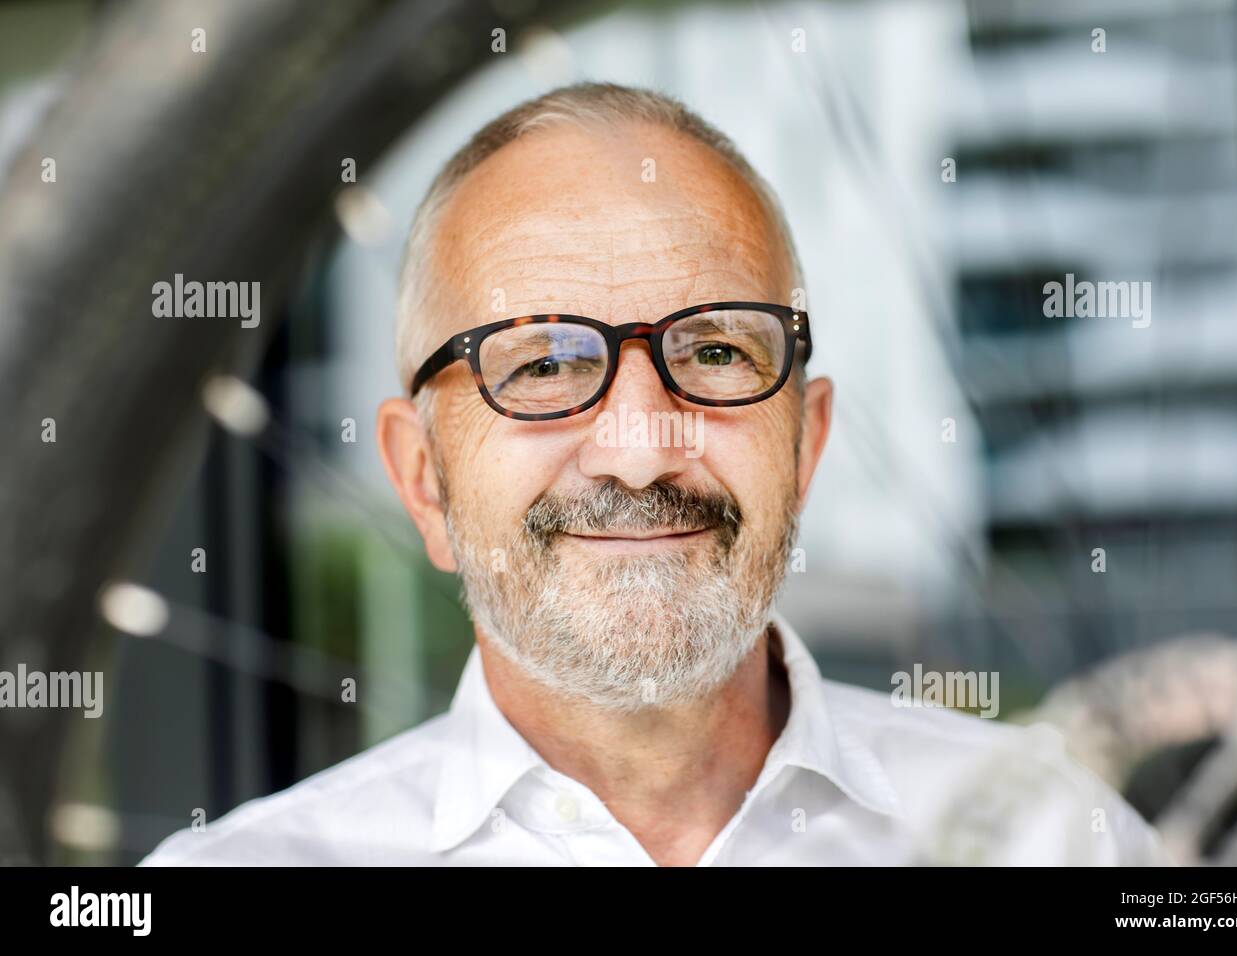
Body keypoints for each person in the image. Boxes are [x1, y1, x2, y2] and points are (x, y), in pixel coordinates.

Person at [142, 82, 1165, 866]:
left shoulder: (1058, 838)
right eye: (542, 364)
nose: (638, 445)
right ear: (423, 478)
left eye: (717, 351)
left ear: (804, 446)